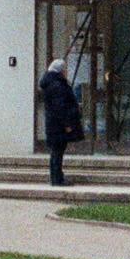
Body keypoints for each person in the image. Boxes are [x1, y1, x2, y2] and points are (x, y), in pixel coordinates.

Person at [38, 58, 83, 186]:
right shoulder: (57, 85)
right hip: (58, 126)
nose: (66, 71)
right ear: (60, 71)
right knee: (57, 152)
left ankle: (56, 177)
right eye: (64, 69)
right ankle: (57, 179)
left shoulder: (50, 83)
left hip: (53, 124)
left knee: (56, 152)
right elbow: (60, 107)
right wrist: (67, 124)